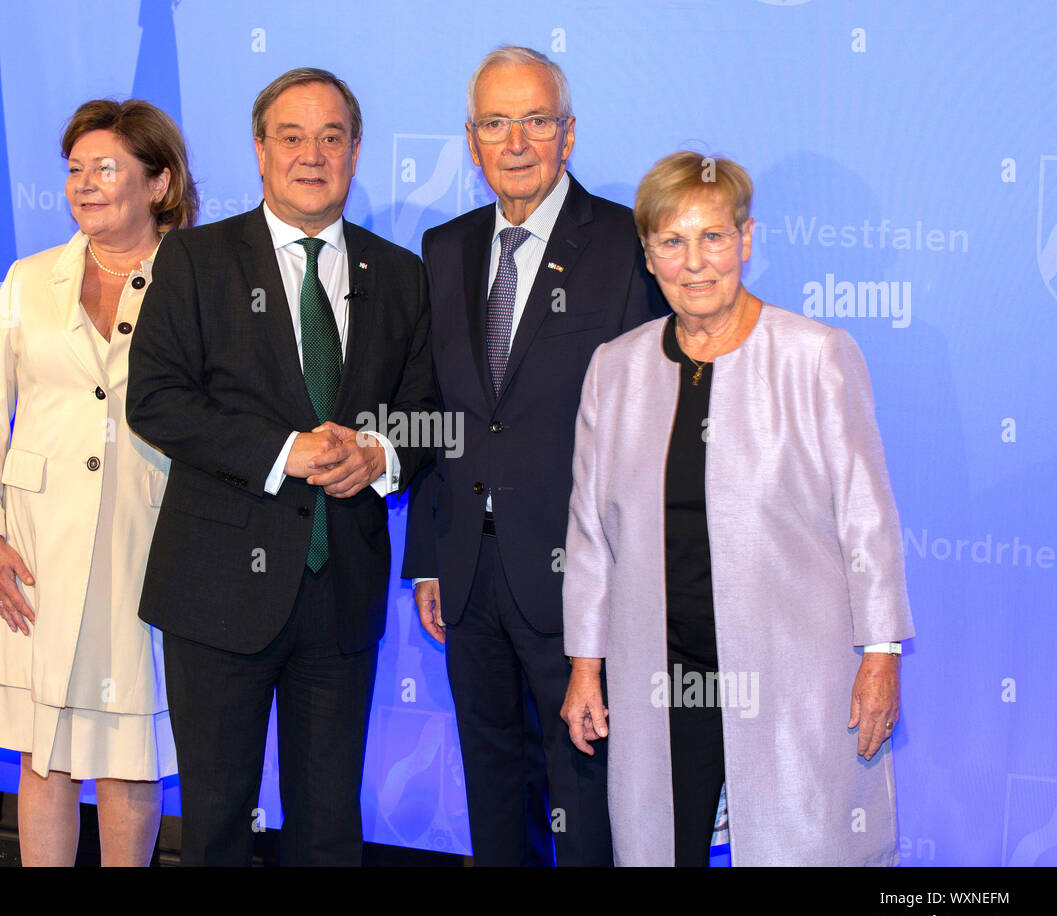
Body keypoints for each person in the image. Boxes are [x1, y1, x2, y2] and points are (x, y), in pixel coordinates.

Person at [560, 150, 914, 866]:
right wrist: (585, 666)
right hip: (663, 674)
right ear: (649, 255)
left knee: (798, 845)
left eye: (713, 237)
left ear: (746, 241)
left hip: (792, 671)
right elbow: (591, 538)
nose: (695, 262)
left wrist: (881, 655)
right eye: (672, 241)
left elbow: (867, 522)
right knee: (665, 846)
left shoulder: (815, 356)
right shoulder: (615, 369)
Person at [126, 67, 435, 866]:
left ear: (357, 152)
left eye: (332, 137)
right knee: (219, 820)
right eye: (291, 136)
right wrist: (283, 453)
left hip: (342, 597)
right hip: (217, 590)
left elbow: (427, 414)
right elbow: (155, 401)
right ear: (260, 151)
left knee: (329, 825)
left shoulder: (400, 275)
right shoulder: (194, 259)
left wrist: (380, 453)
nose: (312, 154)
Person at [402, 46, 656, 866]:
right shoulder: (443, 248)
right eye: (496, 123)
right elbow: (432, 410)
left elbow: (654, 422)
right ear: (471, 141)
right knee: (492, 781)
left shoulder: (629, 244)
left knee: (587, 793)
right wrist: (429, 559)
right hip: (469, 579)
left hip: (584, 581)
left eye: (537, 120)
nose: (517, 141)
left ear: (569, 135)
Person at [0, 99, 196, 866]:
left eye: (106, 169)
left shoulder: (195, 281)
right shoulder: (30, 281)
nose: (85, 185)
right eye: (75, 171)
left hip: (145, 541)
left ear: (157, 184)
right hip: (34, 549)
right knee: (42, 752)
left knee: (128, 757)